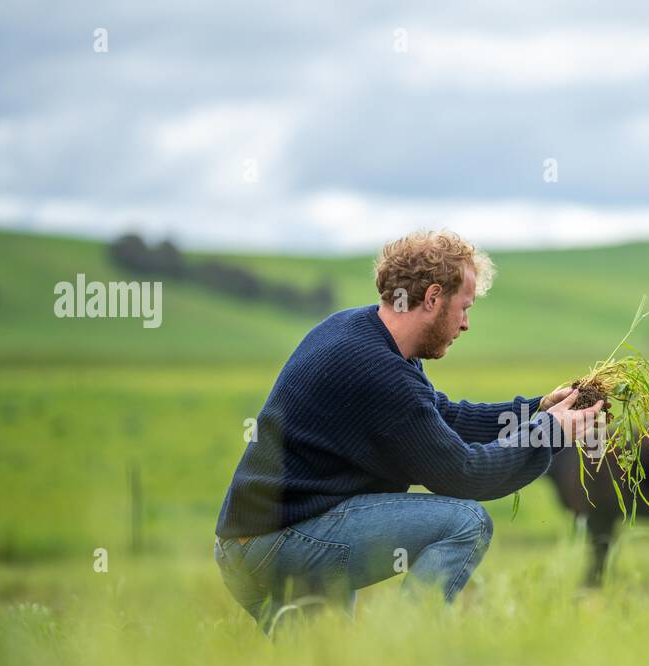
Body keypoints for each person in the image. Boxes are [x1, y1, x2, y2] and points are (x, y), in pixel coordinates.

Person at [214, 229, 602, 628]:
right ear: (433, 298)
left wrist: (536, 409)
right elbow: (465, 474)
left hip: (254, 542)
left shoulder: (360, 331)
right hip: (280, 543)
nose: (466, 324)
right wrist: (548, 432)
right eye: (464, 308)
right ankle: (404, 643)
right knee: (466, 522)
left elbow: (440, 417)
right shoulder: (379, 371)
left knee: (326, 662)